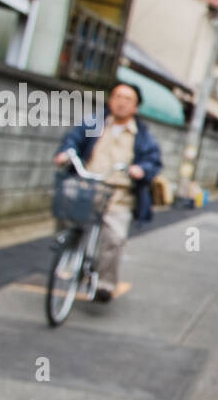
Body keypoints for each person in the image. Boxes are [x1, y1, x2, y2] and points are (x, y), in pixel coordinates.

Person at [52, 81, 163, 303]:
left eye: (127, 99)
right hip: (87, 186)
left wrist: (142, 169)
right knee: (64, 203)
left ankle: (105, 283)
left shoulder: (142, 135)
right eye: (117, 96)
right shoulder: (96, 123)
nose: (121, 102)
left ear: (136, 107)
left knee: (114, 237)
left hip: (118, 195)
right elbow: (73, 139)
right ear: (111, 100)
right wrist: (66, 153)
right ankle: (68, 250)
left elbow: (153, 160)